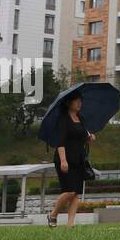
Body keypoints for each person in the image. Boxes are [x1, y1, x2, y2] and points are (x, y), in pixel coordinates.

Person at [48, 93, 95, 228]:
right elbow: (60, 141)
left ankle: (70, 224)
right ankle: (53, 214)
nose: (80, 103)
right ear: (69, 103)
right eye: (77, 101)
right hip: (65, 159)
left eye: (81, 101)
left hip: (79, 159)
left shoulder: (80, 118)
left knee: (76, 193)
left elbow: (82, 136)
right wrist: (63, 160)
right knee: (70, 191)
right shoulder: (63, 119)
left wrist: (90, 138)